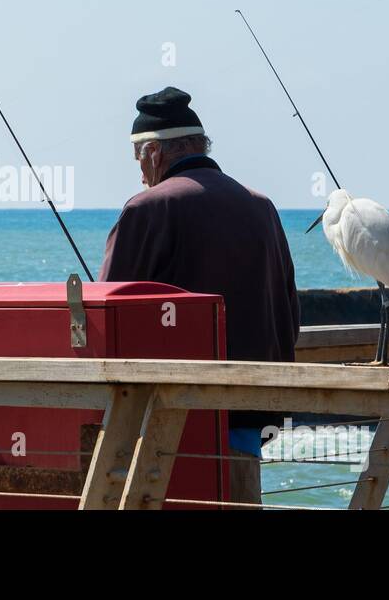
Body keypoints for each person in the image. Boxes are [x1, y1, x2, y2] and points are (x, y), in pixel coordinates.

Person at [99, 86, 300, 507]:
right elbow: (288, 312)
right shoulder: (261, 207)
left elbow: (106, 318)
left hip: (170, 423)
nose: (139, 172)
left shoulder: (147, 209)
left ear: (153, 152)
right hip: (248, 416)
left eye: (138, 158)